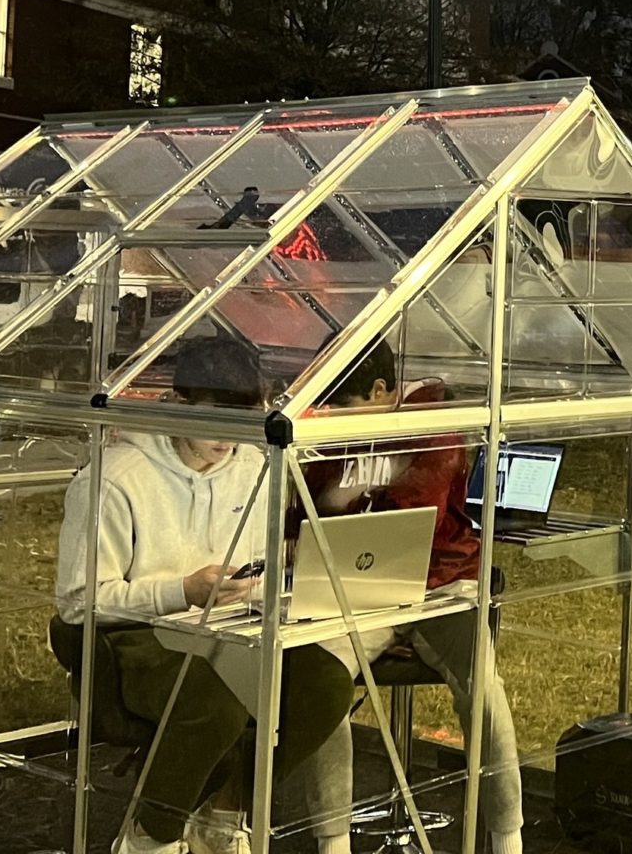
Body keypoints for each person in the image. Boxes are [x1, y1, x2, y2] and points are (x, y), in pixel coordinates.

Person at [52, 334, 355, 854]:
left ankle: (225, 810)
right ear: (179, 404)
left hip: (230, 623)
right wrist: (182, 590)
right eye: (217, 419)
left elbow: (257, 564)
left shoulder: (254, 467)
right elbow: (78, 600)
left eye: (243, 421)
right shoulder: (115, 479)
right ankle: (152, 834)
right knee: (213, 701)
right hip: (135, 633)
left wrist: (283, 588)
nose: (228, 438)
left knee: (325, 683)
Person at [295, 346, 525, 854]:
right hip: (357, 590)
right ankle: (332, 840)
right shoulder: (335, 432)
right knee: (322, 683)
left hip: (442, 582)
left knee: (483, 687)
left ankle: (507, 835)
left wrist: (340, 505)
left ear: (381, 393)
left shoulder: (435, 429)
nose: (335, 420)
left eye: (345, 408)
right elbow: (309, 507)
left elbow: (414, 514)